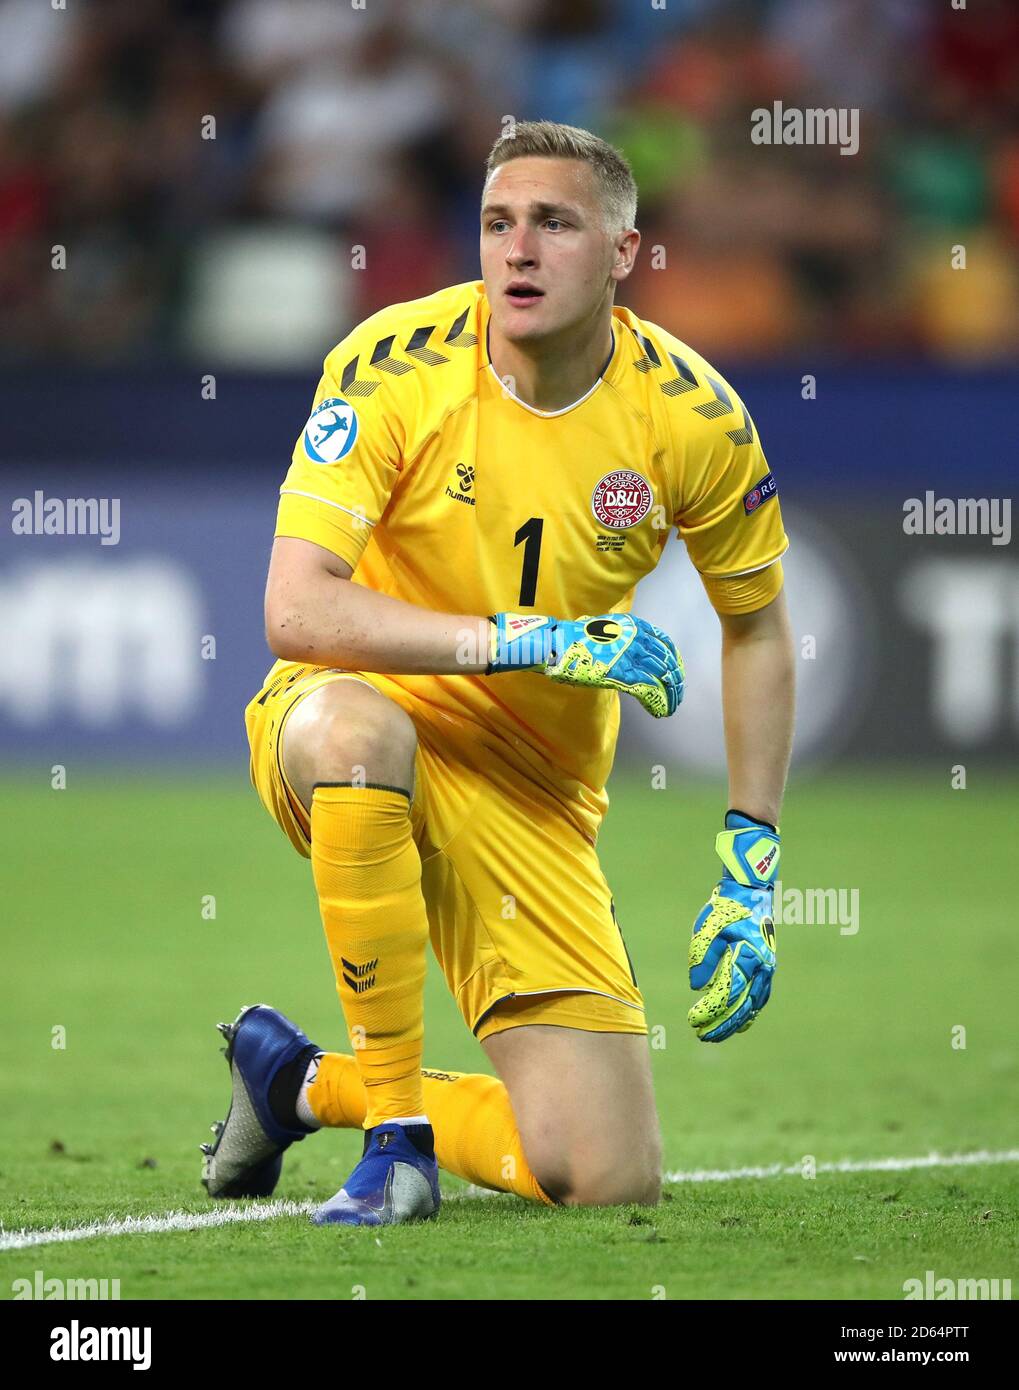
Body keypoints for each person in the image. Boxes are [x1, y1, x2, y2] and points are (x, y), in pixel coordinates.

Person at [200, 120, 794, 1226]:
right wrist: (527, 637)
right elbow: (294, 608)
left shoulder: (694, 420)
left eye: (553, 223)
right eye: (495, 222)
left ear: (622, 253)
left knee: (602, 1174)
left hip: (533, 791)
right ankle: (395, 1146)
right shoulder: (392, 365)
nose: (516, 250)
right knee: (355, 737)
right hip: (356, 712)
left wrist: (750, 853)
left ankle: (296, 1082)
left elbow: (755, 629)